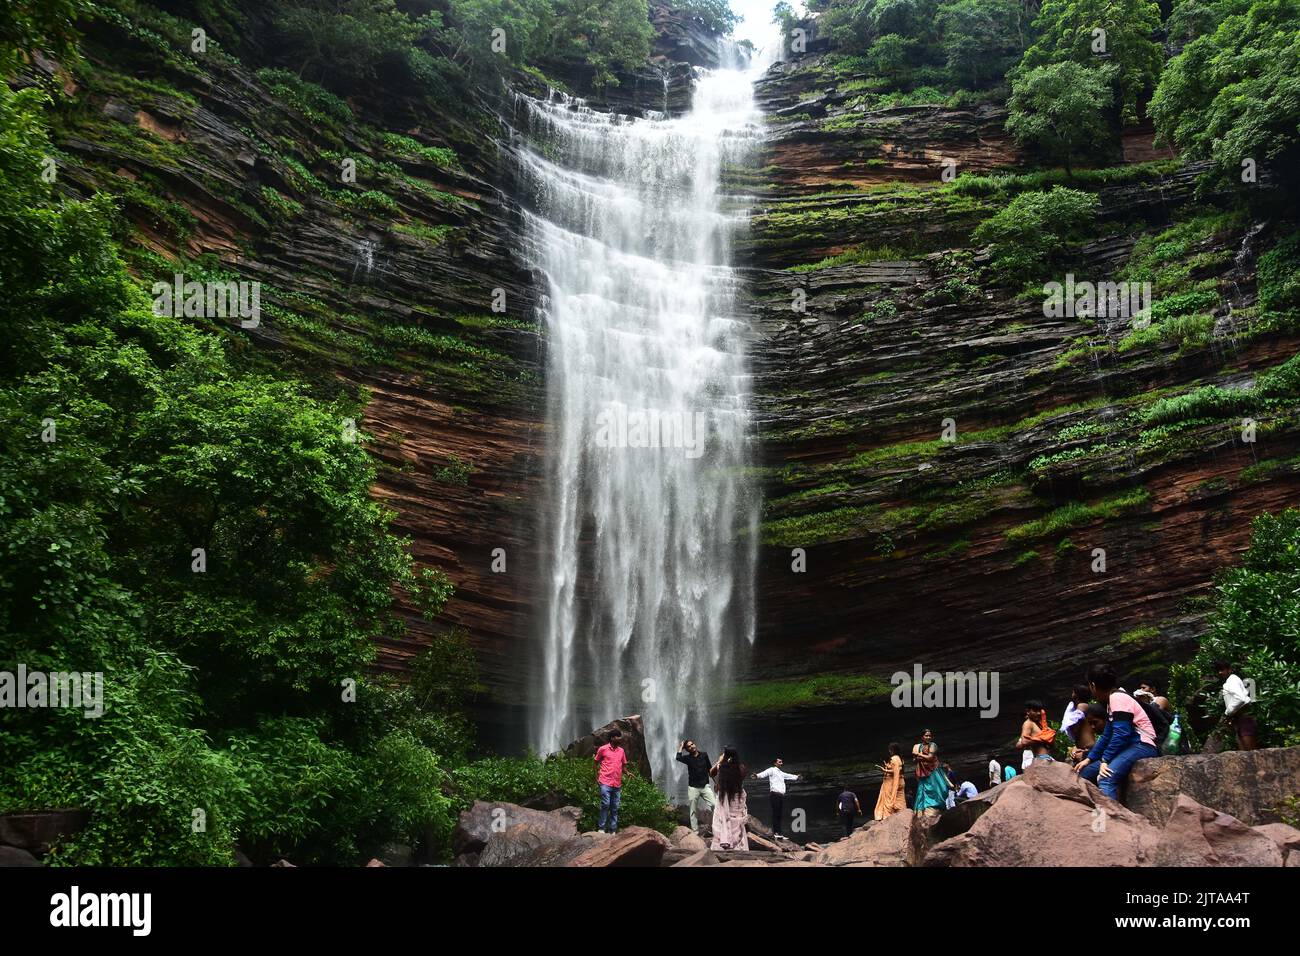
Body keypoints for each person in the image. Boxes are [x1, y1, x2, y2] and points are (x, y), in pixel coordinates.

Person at [1072, 665, 1159, 800]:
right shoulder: (1111, 701)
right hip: (1131, 745)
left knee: (1105, 778)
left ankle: (1111, 819)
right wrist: (1089, 759)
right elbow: (1107, 735)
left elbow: (1122, 733)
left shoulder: (1118, 698)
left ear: (1093, 685)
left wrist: (1105, 760)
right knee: (1086, 772)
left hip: (1143, 745)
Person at [709, 748, 749, 850]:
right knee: (737, 820)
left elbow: (711, 773)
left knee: (722, 819)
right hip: (737, 797)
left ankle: (723, 843)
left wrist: (720, 761)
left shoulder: (722, 767)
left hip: (724, 797)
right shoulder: (741, 768)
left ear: (726, 756)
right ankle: (738, 846)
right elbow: (741, 777)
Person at [752, 758, 799, 838]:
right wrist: (757, 775)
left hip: (780, 795)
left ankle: (780, 833)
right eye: (779, 762)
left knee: (779, 814)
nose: (781, 763)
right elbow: (764, 773)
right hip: (775, 795)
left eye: (781, 762)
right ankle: (776, 833)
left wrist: (797, 777)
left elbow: (788, 775)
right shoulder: (772, 770)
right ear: (775, 763)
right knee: (776, 814)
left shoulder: (781, 773)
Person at [594, 729, 629, 834]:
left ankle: (613, 829)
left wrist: (627, 773)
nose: (620, 738)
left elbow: (623, 765)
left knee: (615, 807)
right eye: (618, 736)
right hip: (605, 781)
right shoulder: (603, 749)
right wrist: (597, 777)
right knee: (605, 804)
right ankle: (601, 827)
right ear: (612, 738)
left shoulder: (621, 751)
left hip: (617, 783)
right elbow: (595, 762)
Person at [1216, 661, 1257, 751]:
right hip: (1239, 719)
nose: (1220, 672)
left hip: (1244, 718)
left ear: (1229, 670)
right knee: (1245, 755)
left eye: (1222, 670)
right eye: (1218, 670)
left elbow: (1241, 699)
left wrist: (1227, 713)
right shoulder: (1230, 681)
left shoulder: (1232, 680)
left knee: (1250, 753)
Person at [676, 739, 715, 834]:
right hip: (693, 787)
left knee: (715, 805)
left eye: (692, 744)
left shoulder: (704, 755)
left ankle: (716, 827)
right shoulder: (688, 759)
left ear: (695, 744)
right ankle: (695, 831)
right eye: (688, 746)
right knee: (693, 810)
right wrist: (681, 747)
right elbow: (678, 757)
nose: (691, 746)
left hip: (705, 786)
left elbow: (710, 770)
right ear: (687, 749)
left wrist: (716, 782)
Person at [912, 729, 949, 817]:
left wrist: (919, 755)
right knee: (922, 790)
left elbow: (930, 757)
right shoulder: (918, 746)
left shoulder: (933, 745)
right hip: (922, 771)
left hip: (933, 770)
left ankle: (936, 806)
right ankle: (922, 811)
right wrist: (918, 757)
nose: (928, 737)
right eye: (926, 735)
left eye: (929, 736)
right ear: (922, 737)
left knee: (938, 788)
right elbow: (914, 759)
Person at [874, 743, 907, 820]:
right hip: (901, 781)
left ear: (892, 750)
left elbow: (896, 771)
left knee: (889, 800)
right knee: (899, 799)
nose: (889, 751)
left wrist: (884, 770)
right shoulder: (900, 758)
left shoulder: (894, 759)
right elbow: (898, 770)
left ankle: (888, 817)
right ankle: (902, 816)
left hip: (892, 782)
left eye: (890, 749)